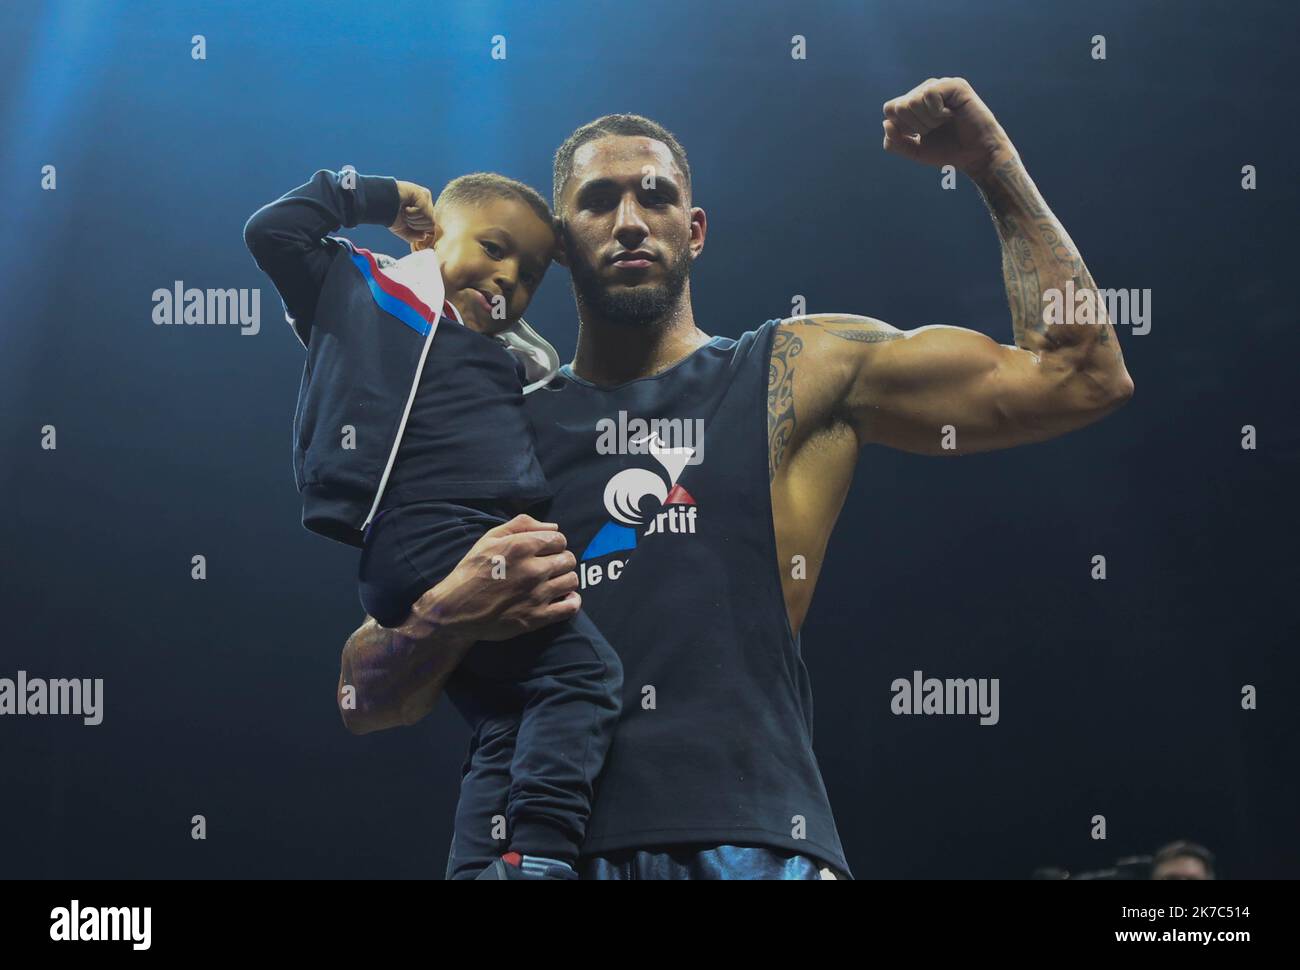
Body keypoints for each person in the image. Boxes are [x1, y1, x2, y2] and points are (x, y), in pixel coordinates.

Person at [338, 77, 1135, 880]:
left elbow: (1080, 377)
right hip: (530, 854)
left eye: (654, 196)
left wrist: (991, 161)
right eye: (597, 201)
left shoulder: (797, 369)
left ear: (695, 230)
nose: (628, 221)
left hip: (755, 844)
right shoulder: (489, 426)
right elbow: (365, 699)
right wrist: (443, 616)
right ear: (561, 242)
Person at [244, 168, 623, 880]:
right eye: (493, 246)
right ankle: (542, 854)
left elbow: (566, 359)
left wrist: (580, 250)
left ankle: (491, 865)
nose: (509, 276)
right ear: (431, 238)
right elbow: (272, 232)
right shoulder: (368, 296)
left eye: (531, 271)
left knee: (511, 713)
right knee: (586, 671)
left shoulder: (520, 363)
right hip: (430, 538)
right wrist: (380, 199)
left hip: (464, 537)